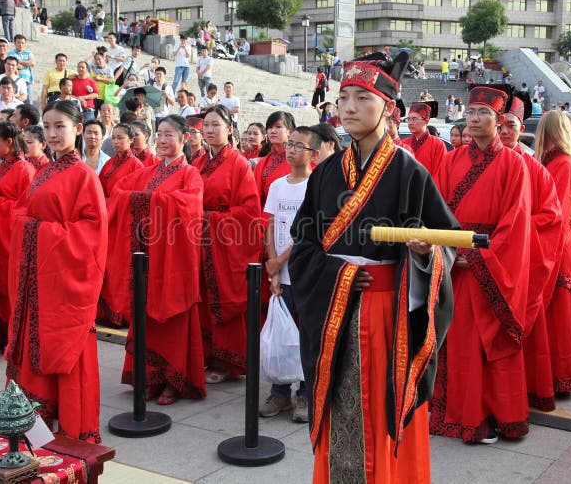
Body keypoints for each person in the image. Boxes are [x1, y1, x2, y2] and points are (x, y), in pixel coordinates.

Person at [290, 51, 456, 481]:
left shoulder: (409, 171)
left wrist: (424, 253)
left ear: (390, 108)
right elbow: (303, 240)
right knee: (338, 407)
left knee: (380, 409)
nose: (348, 107)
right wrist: (338, 276)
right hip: (334, 311)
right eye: (343, 97)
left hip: (386, 315)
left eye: (362, 97)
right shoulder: (325, 173)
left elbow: (446, 242)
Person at [430, 85, 532, 444]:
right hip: (451, 262)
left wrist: (475, 256)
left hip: (484, 264)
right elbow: (437, 209)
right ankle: (453, 413)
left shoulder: (514, 163)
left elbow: (516, 221)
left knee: (483, 341)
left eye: (483, 113)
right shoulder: (450, 158)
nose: (474, 119)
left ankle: (487, 414)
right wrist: (444, 248)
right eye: (470, 112)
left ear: (499, 119)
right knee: (453, 340)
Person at [6, 100, 107, 442]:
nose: (51, 134)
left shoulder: (83, 176)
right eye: (46, 127)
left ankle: (71, 434)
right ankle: (35, 433)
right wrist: (29, 227)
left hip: (62, 288)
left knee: (66, 354)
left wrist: (37, 231)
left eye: (59, 126)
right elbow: (21, 214)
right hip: (40, 286)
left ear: (78, 129)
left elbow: (90, 235)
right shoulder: (44, 171)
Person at [103, 115, 206, 404]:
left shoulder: (190, 175)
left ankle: (173, 380)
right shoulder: (146, 172)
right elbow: (119, 193)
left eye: (169, 135)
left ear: (184, 139)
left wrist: (148, 201)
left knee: (172, 319)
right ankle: (148, 376)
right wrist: (142, 200)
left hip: (172, 260)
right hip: (143, 256)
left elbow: (189, 209)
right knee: (144, 314)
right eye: (159, 134)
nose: (162, 140)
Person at [500, 97, 563, 411]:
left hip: (522, 258)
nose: (504, 131)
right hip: (487, 257)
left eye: (510, 125)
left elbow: (551, 215)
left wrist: (515, 229)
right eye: (500, 125)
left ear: (521, 129)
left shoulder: (534, 167)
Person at [191, 104, 260, 384]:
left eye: (215, 125)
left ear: (229, 129)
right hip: (198, 240)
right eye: (205, 125)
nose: (208, 130)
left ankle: (227, 360)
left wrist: (211, 219)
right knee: (202, 298)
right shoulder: (196, 163)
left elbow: (249, 210)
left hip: (224, 242)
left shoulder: (239, 164)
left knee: (224, 299)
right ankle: (206, 355)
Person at [260, 126, 319, 422]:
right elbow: (271, 224)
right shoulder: (277, 185)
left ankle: (306, 396)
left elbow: (306, 232)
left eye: (299, 145)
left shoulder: (315, 186)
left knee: (307, 335)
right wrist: (273, 265)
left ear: (314, 154)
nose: (291, 149)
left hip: (306, 273)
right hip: (280, 272)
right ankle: (280, 393)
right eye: (290, 144)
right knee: (283, 334)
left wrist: (281, 260)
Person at [534, 110, 571, 395]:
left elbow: (557, 212)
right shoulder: (556, 161)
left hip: (553, 244)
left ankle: (557, 376)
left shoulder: (563, 163)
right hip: (551, 240)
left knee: (556, 314)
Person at [0, 121, 34, 348]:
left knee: (10, 284)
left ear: (8, 142)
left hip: (10, 235)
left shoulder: (24, 168)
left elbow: (25, 207)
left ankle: (12, 335)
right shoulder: (2, 164)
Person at [254, 111, 294, 207]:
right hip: (263, 217)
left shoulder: (298, 159)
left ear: (289, 131)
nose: (272, 131)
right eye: (270, 127)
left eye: (278, 127)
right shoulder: (263, 162)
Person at [401, 102, 446, 183]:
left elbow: (440, 174)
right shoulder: (404, 143)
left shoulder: (438, 144)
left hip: (428, 191)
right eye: (409, 119)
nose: (410, 123)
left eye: (414, 119)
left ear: (426, 121)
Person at [97, 122, 142, 198]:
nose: (116, 142)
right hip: (108, 205)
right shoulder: (109, 163)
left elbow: (139, 193)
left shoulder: (136, 165)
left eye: (120, 138)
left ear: (131, 140)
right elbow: (99, 188)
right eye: (113, 138)